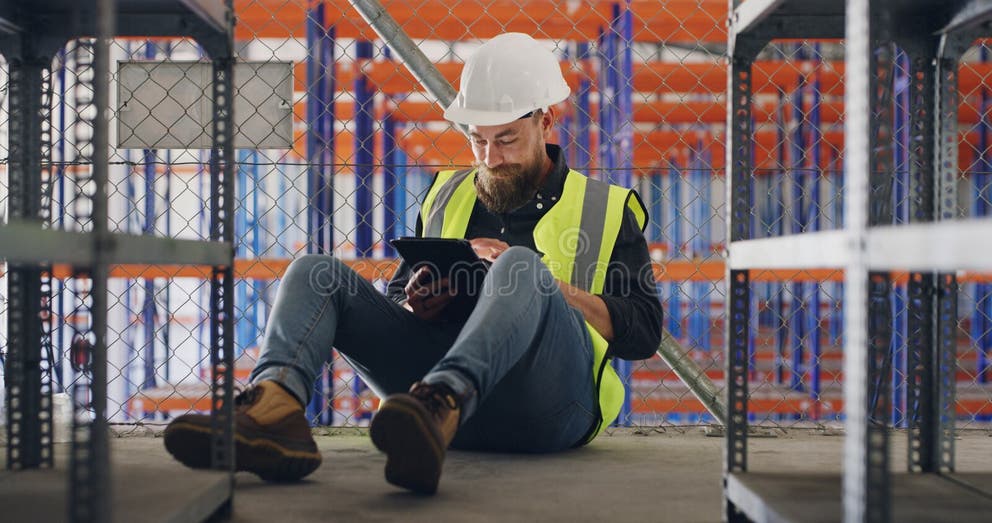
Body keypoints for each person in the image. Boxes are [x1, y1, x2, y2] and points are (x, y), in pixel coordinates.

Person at [163, 32, 664, 495]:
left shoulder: (605, 207)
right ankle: (276, 409)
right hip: (430, 409)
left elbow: (642, 332)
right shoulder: (447, 194)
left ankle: (442, 401)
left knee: (520, 267)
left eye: (506, 139)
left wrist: (547, 286)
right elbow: (399, 298)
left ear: (545, 122)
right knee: (315, 272)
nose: (489, 157)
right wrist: (414, 300)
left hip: (550, 406)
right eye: (478, 139)